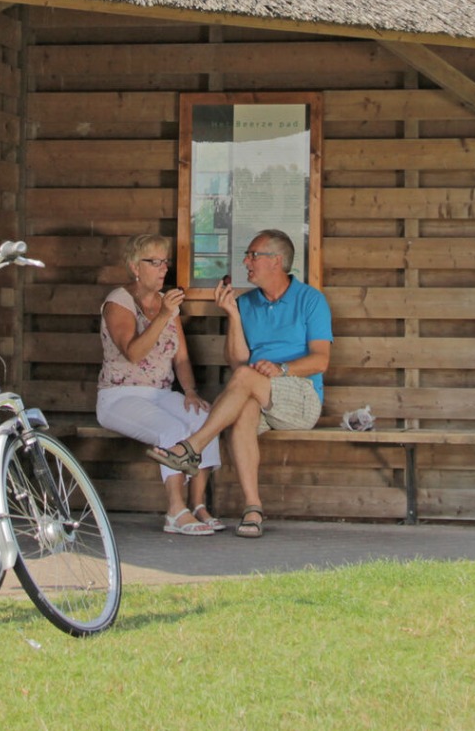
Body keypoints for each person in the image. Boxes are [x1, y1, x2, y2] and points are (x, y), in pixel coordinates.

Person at [147, 228, 332, 539]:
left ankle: (192, 447)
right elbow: (237, 363)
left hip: (299, 397)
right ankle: (253, 508)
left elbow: (320, 360)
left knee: (245, 380)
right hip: (256, 395)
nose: (246, 261)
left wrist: (281, 368)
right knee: (244, 405)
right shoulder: (247, 303)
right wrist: (233, 315)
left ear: (276, 261)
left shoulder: (311, 300)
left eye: (252, 255)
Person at [96, 233, 222, 535]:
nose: (163, 268)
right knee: (173, 430)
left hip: (161, 393)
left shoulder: (168, 304)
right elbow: (134, 353)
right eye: (154, 262)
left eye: (165, 262)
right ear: (134, 267)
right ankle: (175, 512)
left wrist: (190, 391)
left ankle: (197, 505)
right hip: (119, 397)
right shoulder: (119, 302)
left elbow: (181, 359)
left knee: (206, 418)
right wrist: (164, 315)